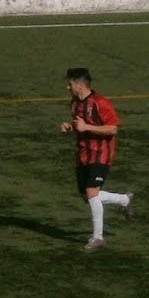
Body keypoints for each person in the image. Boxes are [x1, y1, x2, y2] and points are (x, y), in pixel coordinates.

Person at [61, 68, 134, 250]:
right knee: (87, 196)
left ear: (80, 84)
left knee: (92, 193)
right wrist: (70, 127)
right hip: (83, 155)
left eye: (70, 84)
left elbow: (113, 129)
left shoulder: (100, 103)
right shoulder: (75, 103)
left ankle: (98, 237)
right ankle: (124, 200)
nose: (67, 87)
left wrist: (86, 127)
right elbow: (82, 125)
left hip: (101, 154)